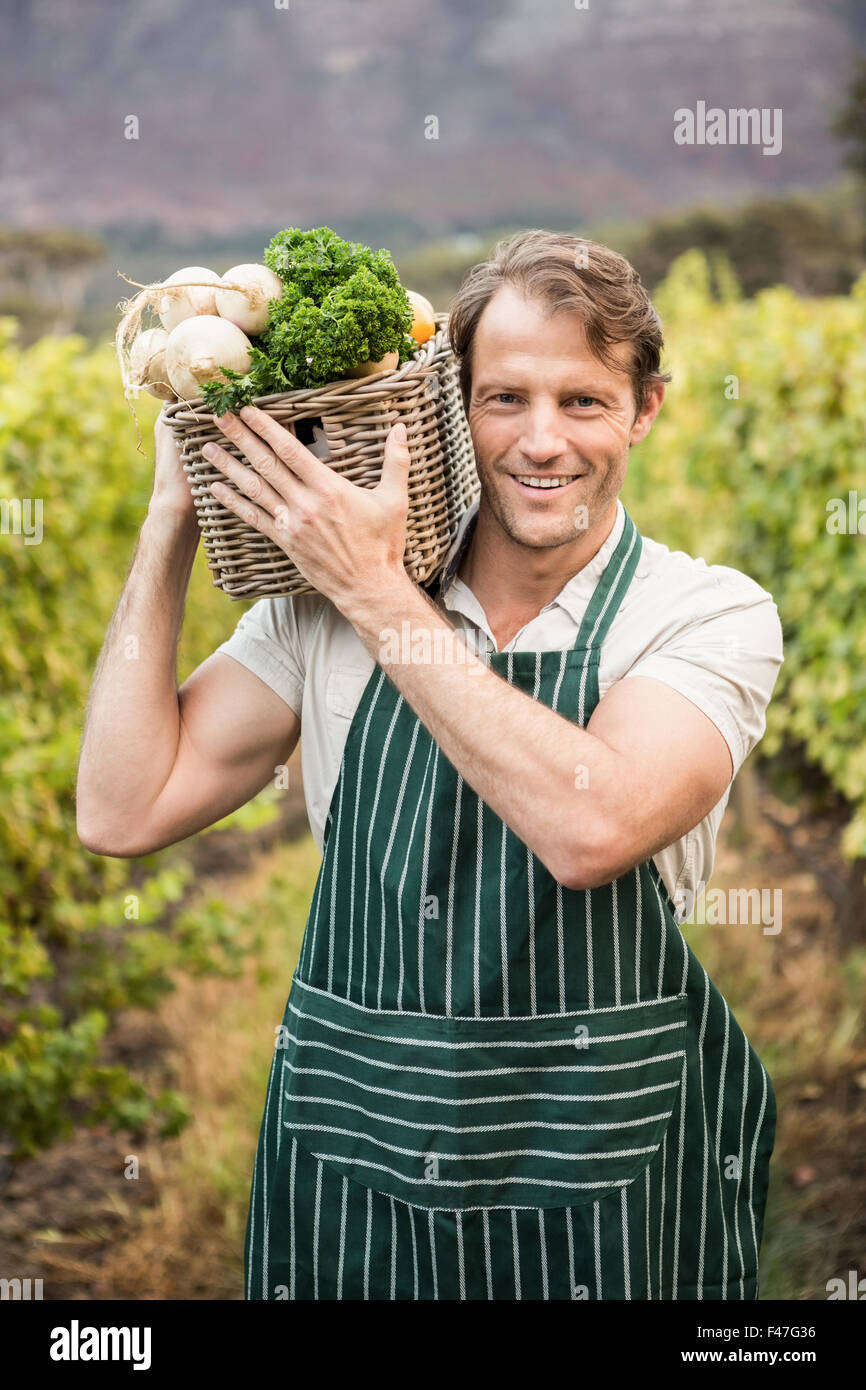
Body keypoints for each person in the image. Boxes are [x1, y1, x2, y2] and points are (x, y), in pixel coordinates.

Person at [77, 230, 783, 1301]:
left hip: (603, 1180)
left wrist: (371, 589)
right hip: (360, 1175)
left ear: (644, 409)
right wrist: (171, 518)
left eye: (582, 402)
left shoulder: (701, 614)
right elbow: (121, 808)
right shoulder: (313, 612)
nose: (540, 442)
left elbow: (590, 829)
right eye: (503, 398)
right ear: (449, 402)